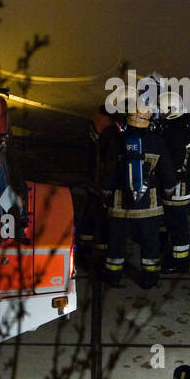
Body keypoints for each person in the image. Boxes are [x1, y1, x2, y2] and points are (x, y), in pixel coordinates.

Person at [101, 95, 175, 289]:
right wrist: (168, 191)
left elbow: (108, 172)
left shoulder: (117, 141)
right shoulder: (156, 142)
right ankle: (150, 278)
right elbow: (167, 171)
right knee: (150, 243)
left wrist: (106, 193)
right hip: (148, 206)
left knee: (116, 242)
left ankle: (113, 275)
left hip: (120, 205)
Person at [154, 89, 190, 274]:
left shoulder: (175, 134)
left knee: (177, 224)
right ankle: (167, 246)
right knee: (173, 220)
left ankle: (180, 261)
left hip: (177, 187)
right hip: (186, 183)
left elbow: (172, 164)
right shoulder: (185, 123)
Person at [78, 102, 122, 262]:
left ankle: (84, 246)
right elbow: (111, 162)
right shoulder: (112, 133)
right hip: (103, 182)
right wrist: (108, 186)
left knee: (89, 213)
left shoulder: (94, 126)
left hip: (91, 179)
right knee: (104, 218)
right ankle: (102, 250)